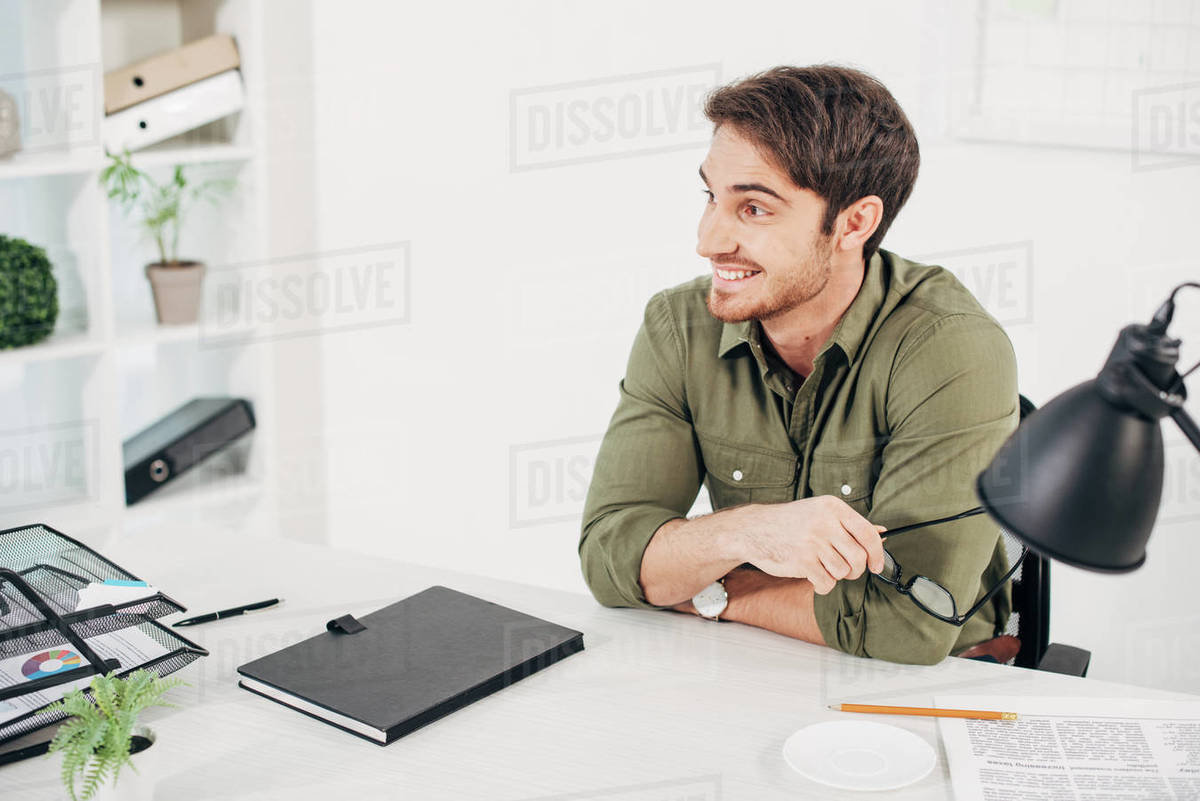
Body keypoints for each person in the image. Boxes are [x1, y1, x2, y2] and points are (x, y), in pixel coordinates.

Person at [578, 64, 1018, 665]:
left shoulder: (952, 349)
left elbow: (911, 627)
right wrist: (747, 531)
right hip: (751, 662)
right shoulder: (677, 327)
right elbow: (611, 558)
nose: (708, 240)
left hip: (931, 690)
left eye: (754, 209)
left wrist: (702, 586)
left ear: (854, 223)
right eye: (712, 196)